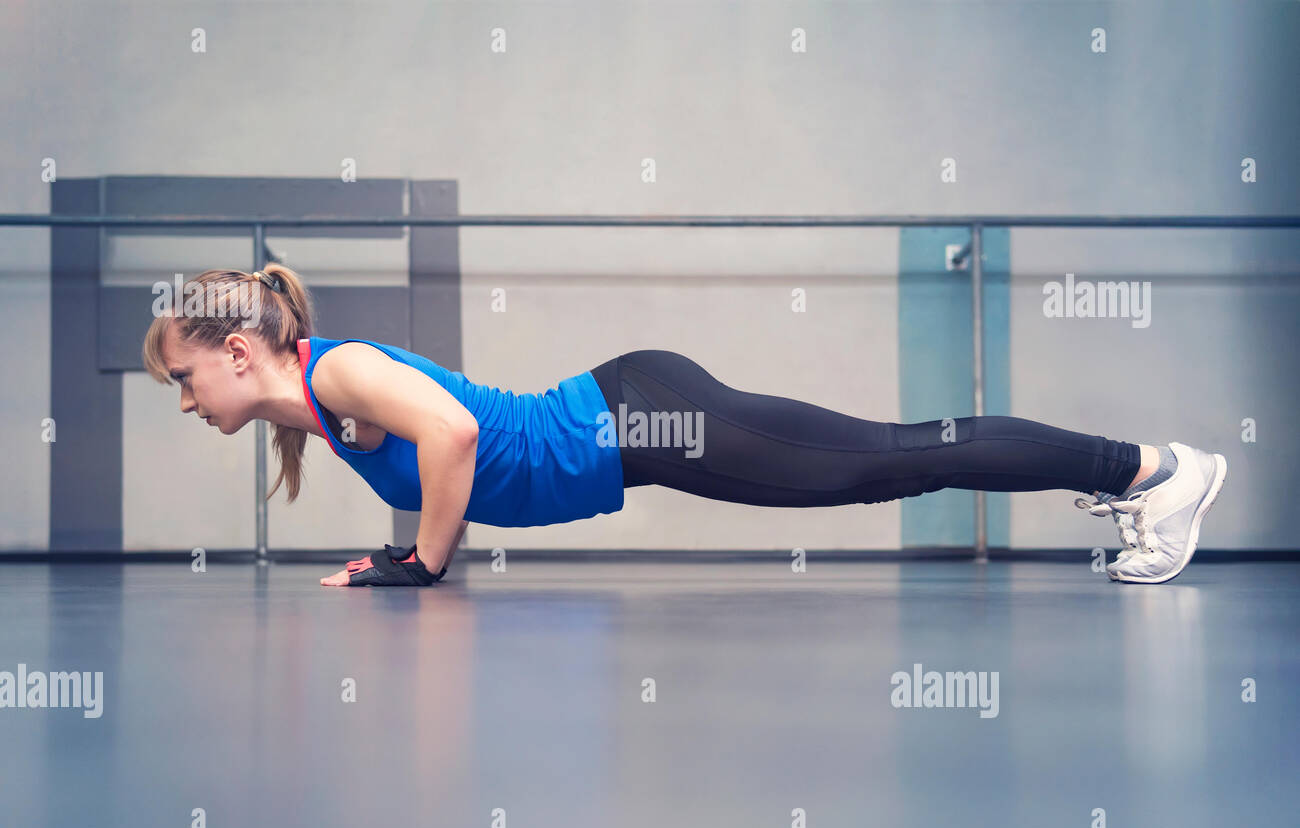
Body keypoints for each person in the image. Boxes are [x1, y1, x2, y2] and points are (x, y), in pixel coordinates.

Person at [142, 265, 1227, 587]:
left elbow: (456, 439)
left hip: (643, 420)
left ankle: (1151, 469)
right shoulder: (321, 398)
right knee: (892, 461)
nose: (187, 401)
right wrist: (407, 551)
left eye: (184, 379)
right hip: (638, 424)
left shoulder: (339, 373)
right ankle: (1144, 472)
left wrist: (422, 565)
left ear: (237, 351)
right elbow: (443, 451)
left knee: (895, 458)